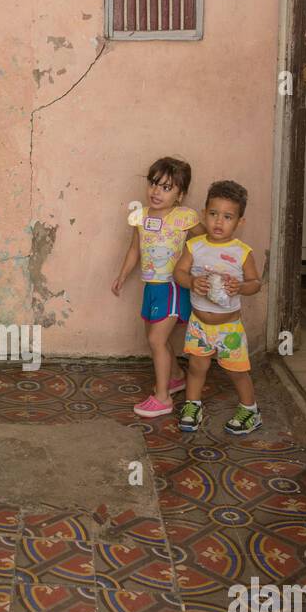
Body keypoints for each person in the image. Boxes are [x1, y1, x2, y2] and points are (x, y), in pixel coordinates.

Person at [111, 157, 202, 417]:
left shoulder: (185, 217)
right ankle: (175, 377)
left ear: (179, 195)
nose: (156, 191)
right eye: (153, 184)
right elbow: (134, 250)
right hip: (151, 287)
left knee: (156, 339)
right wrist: (122, 275)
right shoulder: (140, 217)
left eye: (166, 187)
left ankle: (163, 398)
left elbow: (205, 241)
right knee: (153, 338)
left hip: (172, 287)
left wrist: (203, 267)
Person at [173, 179, 262, 435]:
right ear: (204, 214)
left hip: (229, 328)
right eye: (213, 214)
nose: (218, 222)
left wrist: (240, 287)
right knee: (197, 367)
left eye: (227, 216)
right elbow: (178, 272)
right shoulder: (195, 246)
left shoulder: (241, 252)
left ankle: (250, 409)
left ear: (239, 222)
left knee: (237, 371)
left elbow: (255, 283)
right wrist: (191, 281)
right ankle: (192, 406)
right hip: (200, 325)